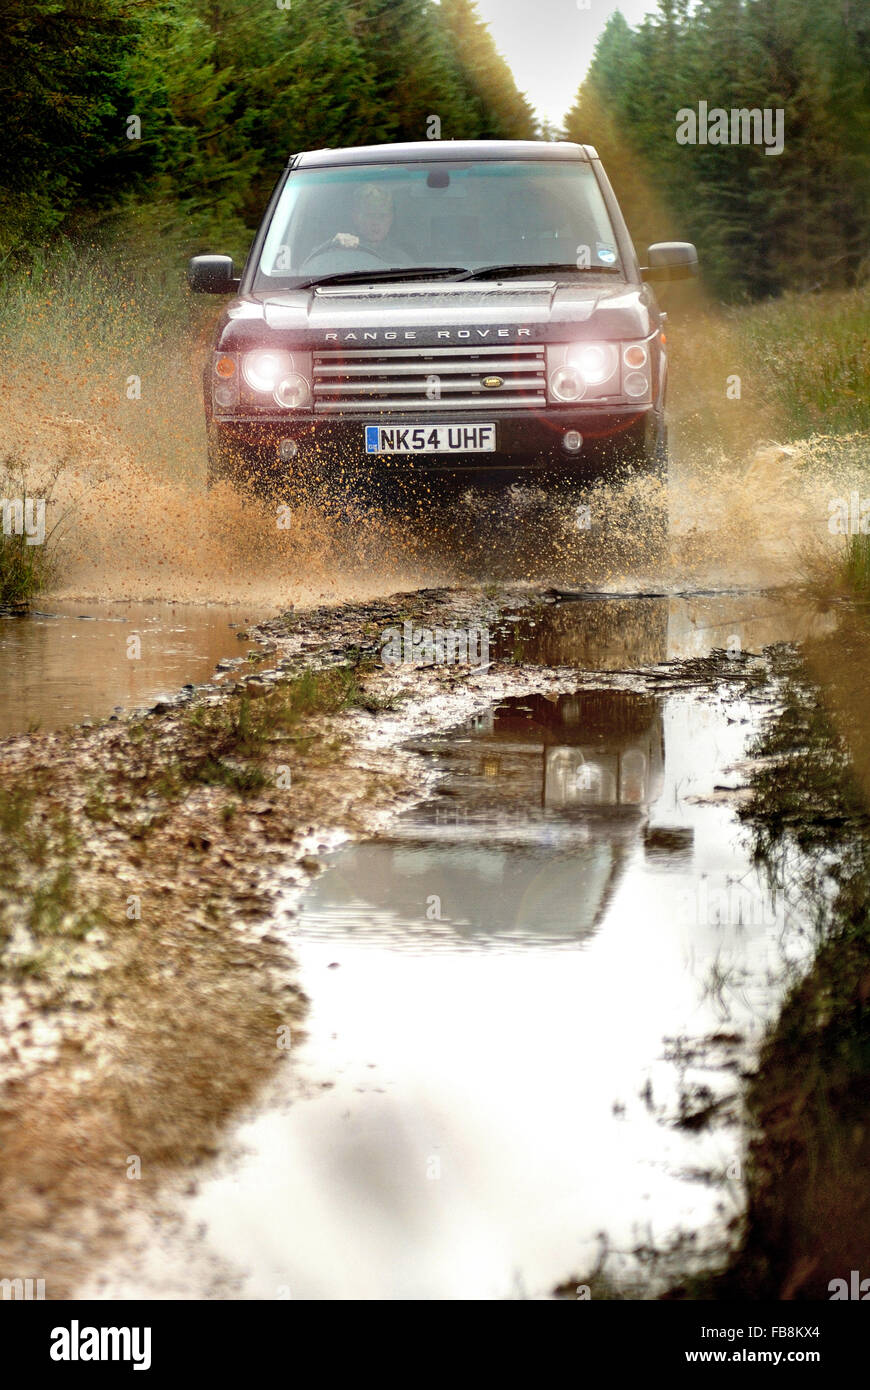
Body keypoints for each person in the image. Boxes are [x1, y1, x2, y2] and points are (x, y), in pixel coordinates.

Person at [331, 183, 410, 262]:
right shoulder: (340, 248)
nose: (376, 222)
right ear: (355, 217)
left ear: (391, 219)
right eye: (369, 215)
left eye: (382, 216)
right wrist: (335, 246)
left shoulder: (401, 259)